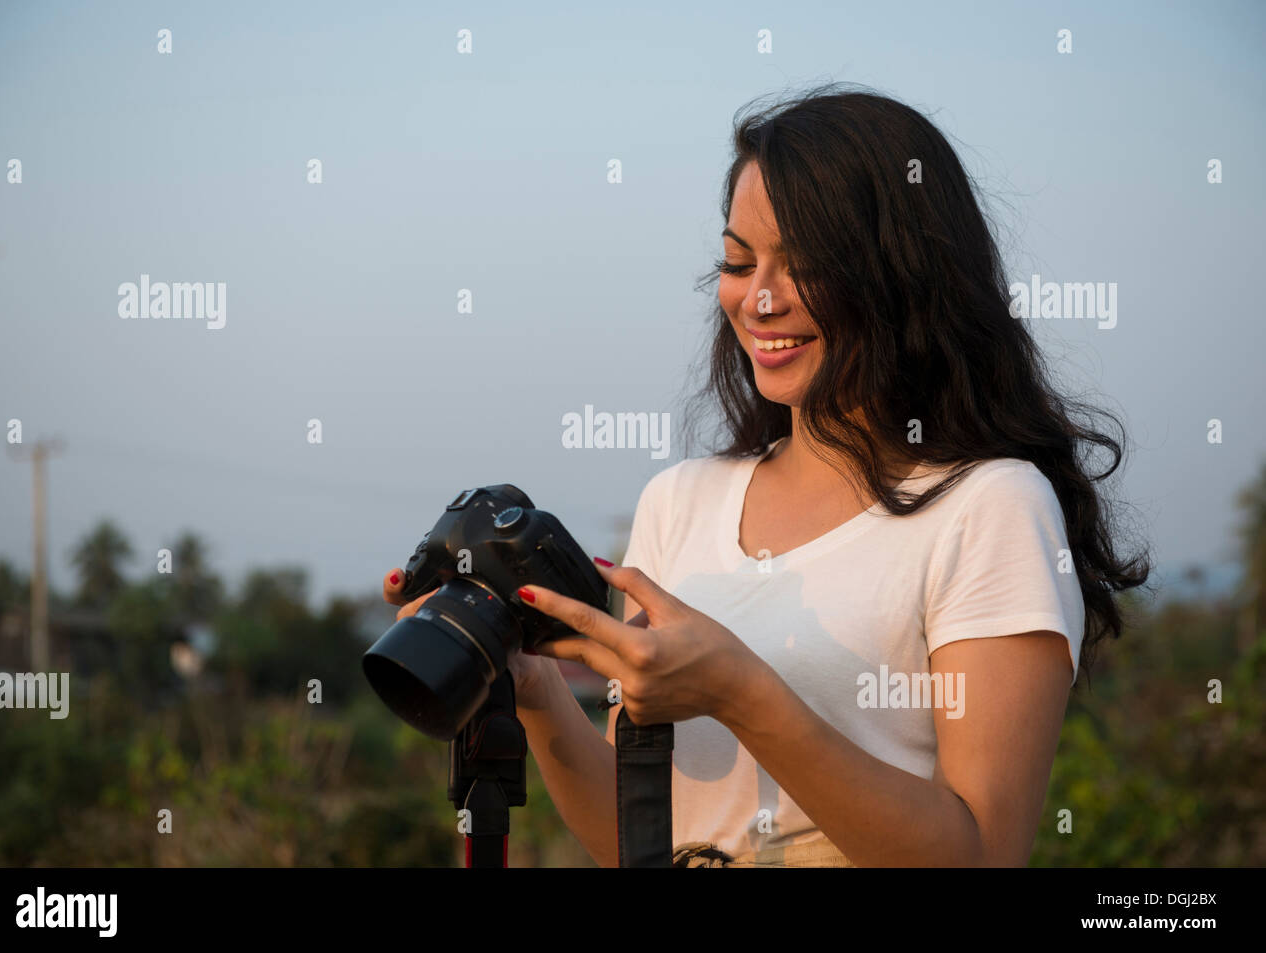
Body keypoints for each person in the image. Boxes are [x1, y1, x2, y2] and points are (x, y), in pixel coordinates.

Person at [384, 83, 1150, 868]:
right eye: (738, 261)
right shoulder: (679, 502)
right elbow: (640, 837)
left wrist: (742, 693)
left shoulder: (989, 508)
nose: (759, 299)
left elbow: (983, 853)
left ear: (906, 273)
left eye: (805, 266)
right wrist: (535, 683)